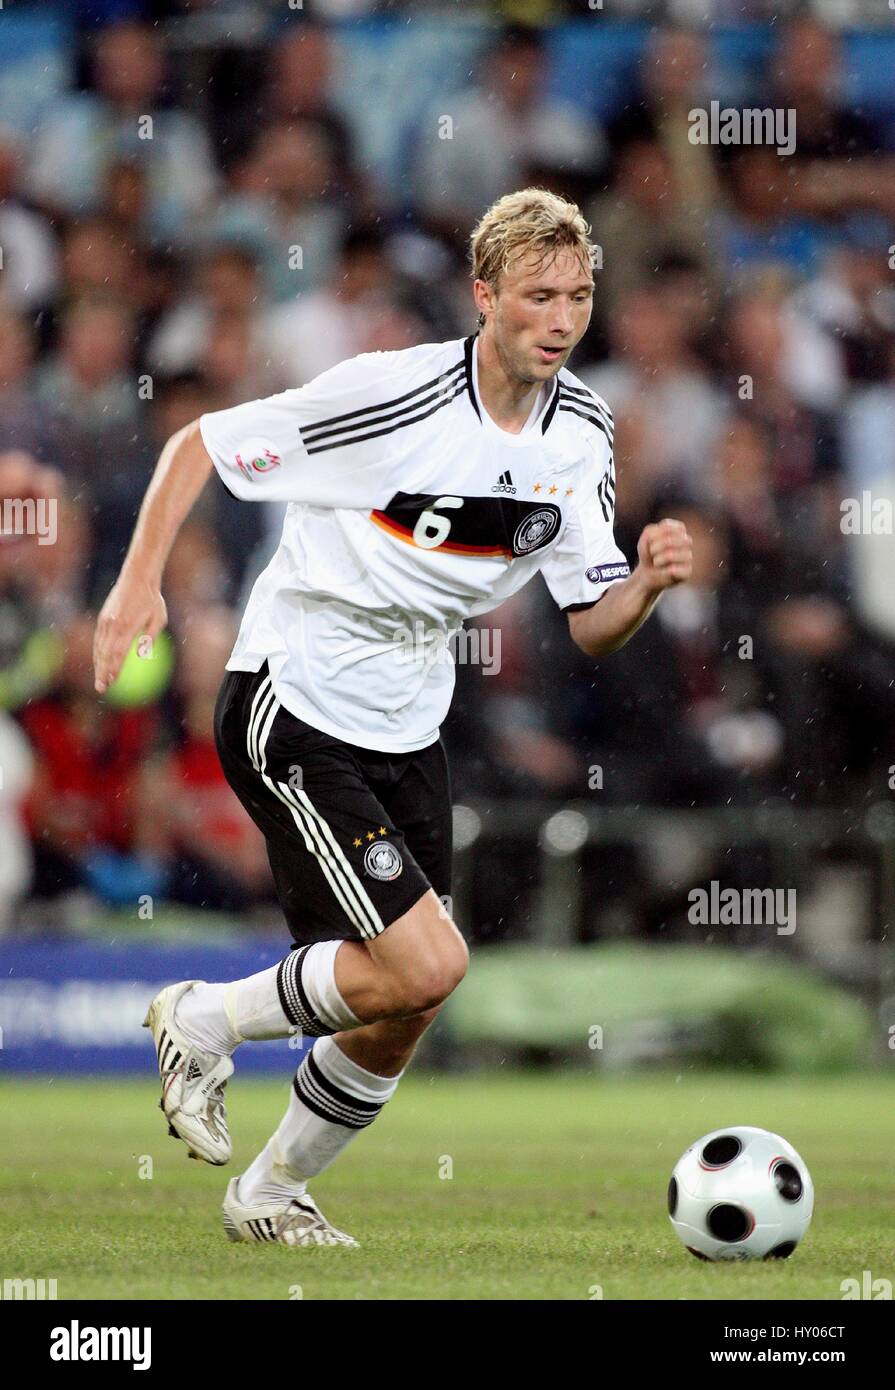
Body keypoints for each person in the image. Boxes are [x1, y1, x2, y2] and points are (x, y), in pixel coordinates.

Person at [92, 187, 693, 1249]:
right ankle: (200, 1019)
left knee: (403, 1000)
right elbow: (198, 443)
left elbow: (589, 618)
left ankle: (271, 1192)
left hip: (409, 718)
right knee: (432, 964)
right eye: (538, 294)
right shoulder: (390, 399)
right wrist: (137, 586)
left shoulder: (582, 432)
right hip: (294, 694)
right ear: (484, 294)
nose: (560, 318)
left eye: (579, 296)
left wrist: (641, 587)